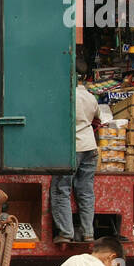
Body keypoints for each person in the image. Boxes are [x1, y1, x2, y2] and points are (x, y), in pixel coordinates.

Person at [51, 58, 103, 245]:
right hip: (90, 147)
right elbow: (98, 119)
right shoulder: (90, 97)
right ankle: (88, 232)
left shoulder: (64, 95)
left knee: (61, 189)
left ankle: (66, 232)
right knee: (86, 191)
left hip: (72, 148)